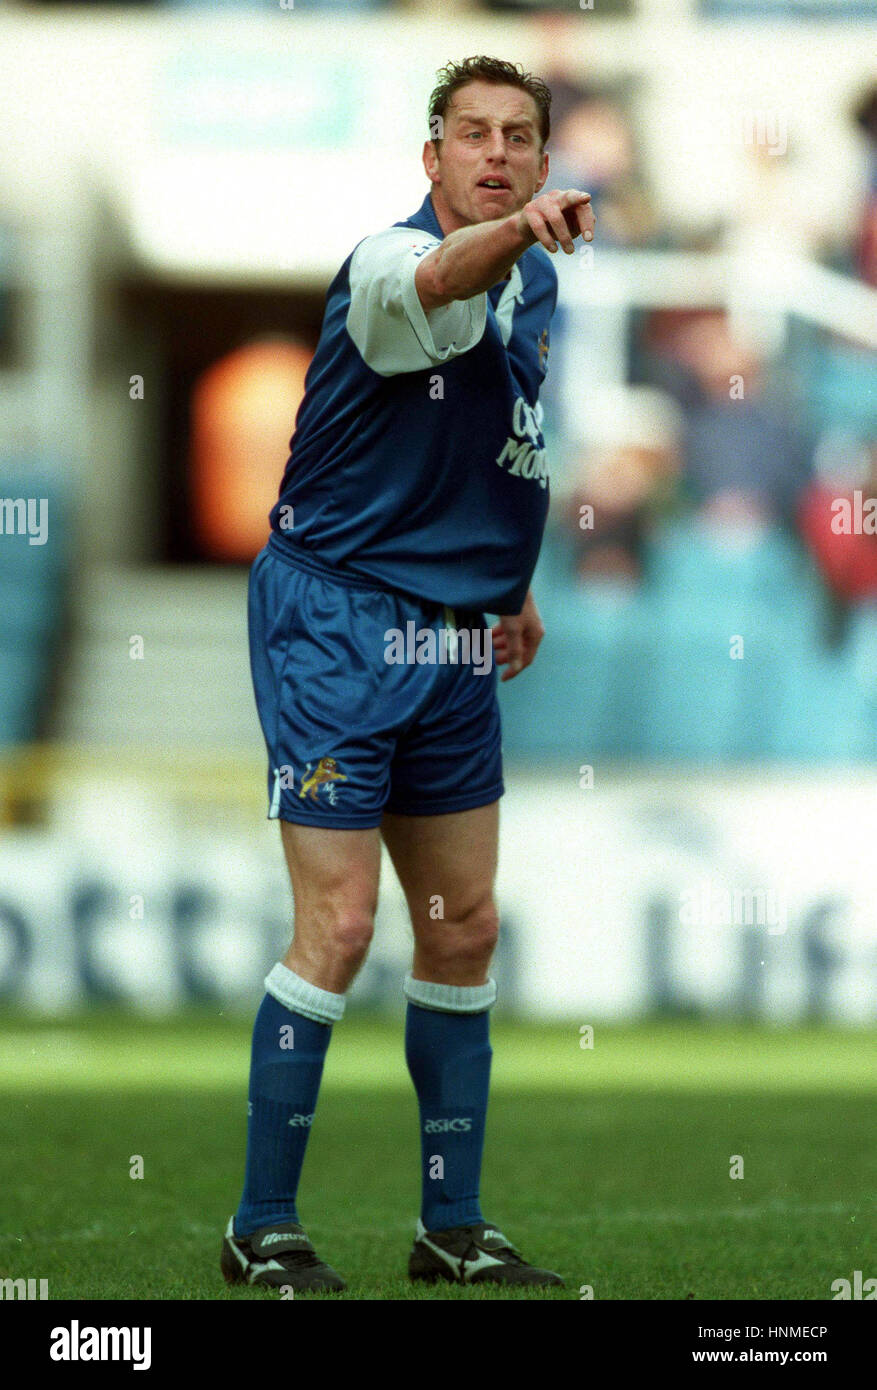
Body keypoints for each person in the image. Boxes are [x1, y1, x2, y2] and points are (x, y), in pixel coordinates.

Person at [221, 55, 594, 1294]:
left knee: (463, 926)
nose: (496, 153)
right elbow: (441, 281)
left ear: (543, 160)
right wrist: (515, 235)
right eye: (471, 134)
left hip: (453, 631)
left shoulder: (538, 282)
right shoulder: (391, 262)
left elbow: (487, 441)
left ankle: (453, 1227)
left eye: (518, 136)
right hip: (339, 614)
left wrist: (508, 579)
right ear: (431, 158)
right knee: (339, 926)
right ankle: (260, 1227)